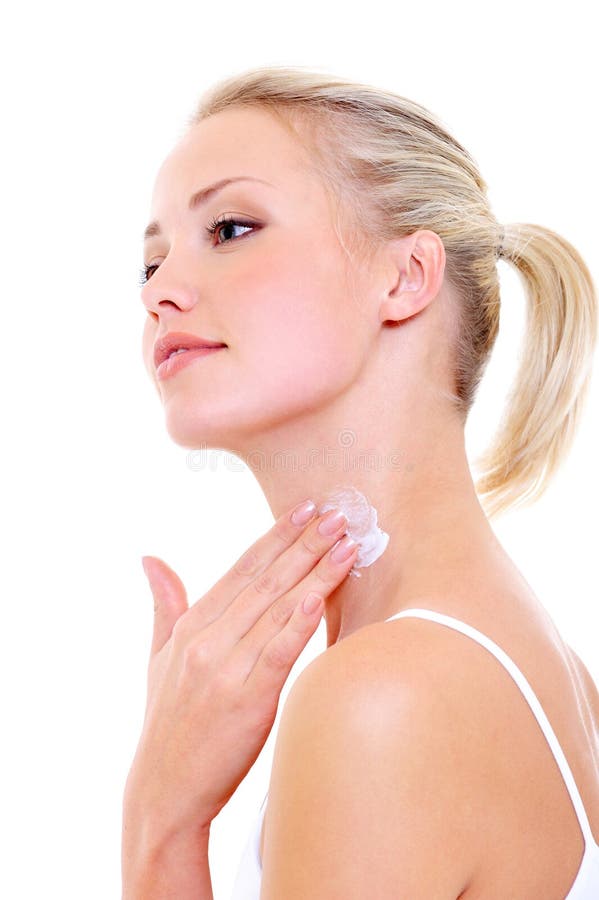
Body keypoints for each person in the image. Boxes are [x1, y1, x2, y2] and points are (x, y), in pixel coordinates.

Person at [121, 65, 599, 898]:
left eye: (230, 228)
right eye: (149, 265)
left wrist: (161, 821)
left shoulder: (384, 698)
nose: (160, 291)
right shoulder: (548, 670)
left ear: (405, 277)